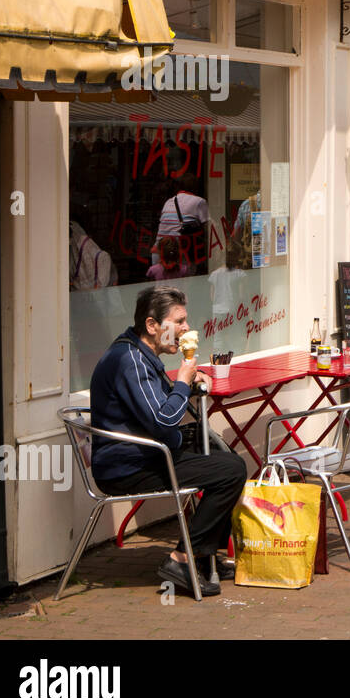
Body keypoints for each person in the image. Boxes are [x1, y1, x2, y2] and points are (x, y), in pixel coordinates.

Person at [90, 286, 246, 597]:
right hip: (127, 465)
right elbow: (163, 420)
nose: (187, 328)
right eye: (180, 321)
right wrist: (183, 383)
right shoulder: (129, 360)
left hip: (148, 452)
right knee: (231, 470)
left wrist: (188, 381)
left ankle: (204, 557)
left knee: (219, 452)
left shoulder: (142, 355)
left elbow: (158, 409)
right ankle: (181, 559)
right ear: (152, 326)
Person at [157, 176, 209, 276]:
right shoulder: (199, 202)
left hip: (161, 254)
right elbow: (209, 228)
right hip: (180, 255)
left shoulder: (168, 202)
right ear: (196, 188)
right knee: (185, 285)